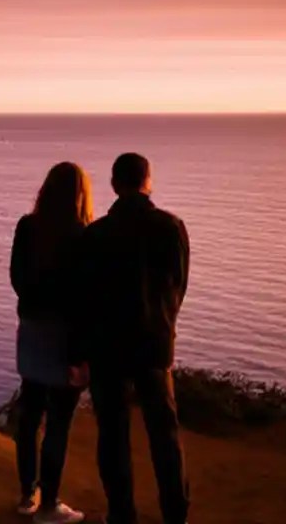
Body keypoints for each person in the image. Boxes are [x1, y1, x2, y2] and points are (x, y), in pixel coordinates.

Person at [80, 153, 191, 524]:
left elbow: (86, 297)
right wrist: (164, 326)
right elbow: (178, 287)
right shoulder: (171, 227)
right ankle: (176, 515)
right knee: (165, 437)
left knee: (112, 436)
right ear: (148, 181)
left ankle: (121, 514)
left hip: (106, 349)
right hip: (154, 346)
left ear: (114, 184)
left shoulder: (95, 235)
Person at [9, 162, 93, 524]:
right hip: (66, 336)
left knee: (29, 416)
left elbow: (16, 278)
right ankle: (49, 505)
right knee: (58, 423)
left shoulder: (27, 227)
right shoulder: (84, 235)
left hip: (30, 330)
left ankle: (28, 494)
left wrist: (34, 306)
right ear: (80, 193)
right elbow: (85, 300)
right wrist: (80, 356)